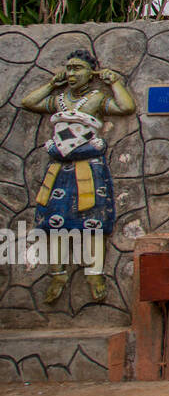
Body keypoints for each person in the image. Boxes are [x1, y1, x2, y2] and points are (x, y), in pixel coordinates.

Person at [20, 49, 135, 303]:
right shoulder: (60, 99)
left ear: (90, 72)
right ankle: (57, 273)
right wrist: (51, 84)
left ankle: (95, 273)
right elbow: (28, 102)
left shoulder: (95, 99)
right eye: (69, 68)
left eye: (78, 69)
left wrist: (113, 81)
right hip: (60, 169)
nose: (72, 74)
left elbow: (126, 106)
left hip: (88, 168)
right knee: (55, 222)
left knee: (92, 221)